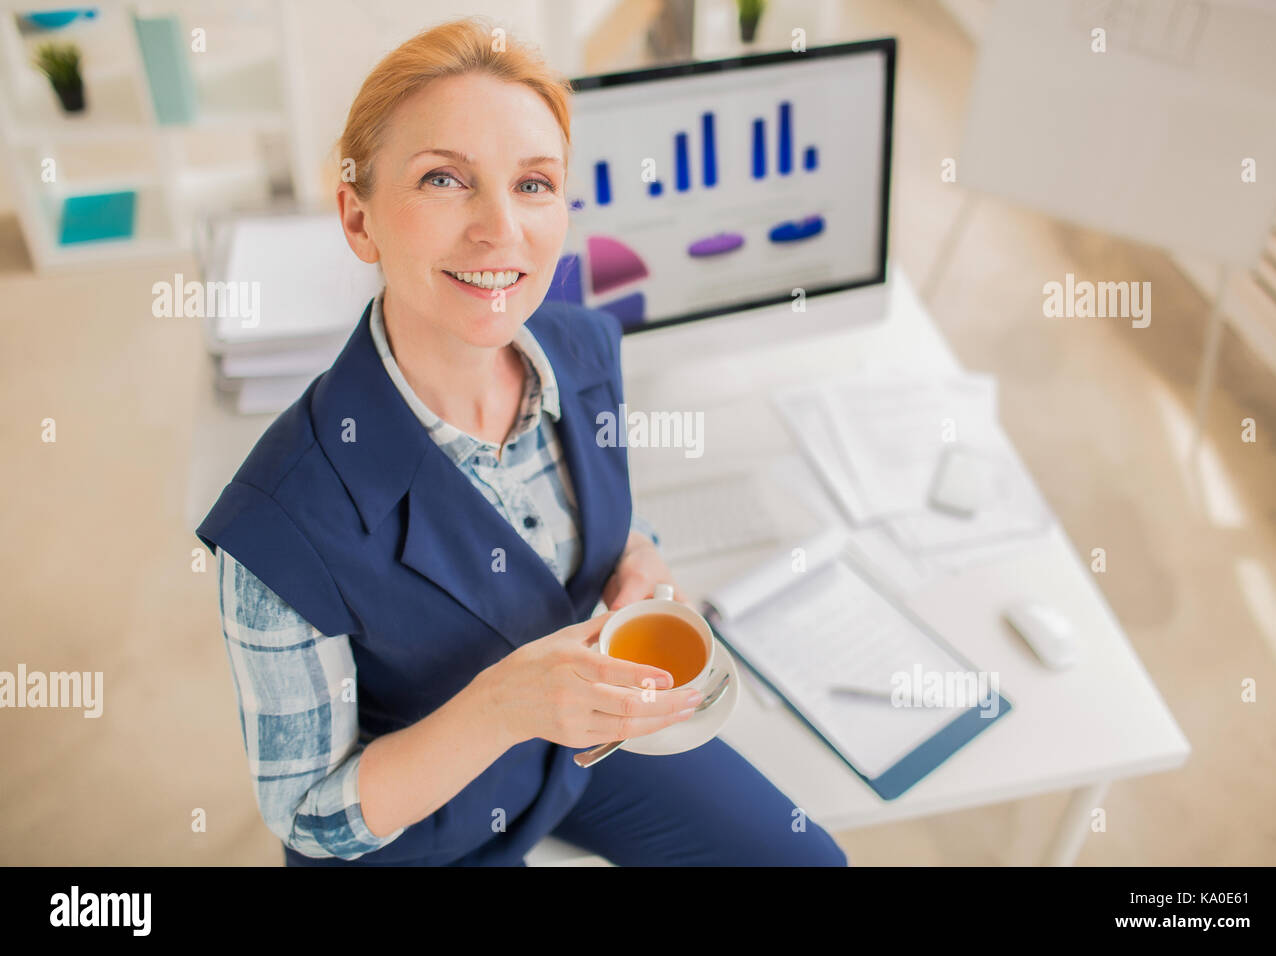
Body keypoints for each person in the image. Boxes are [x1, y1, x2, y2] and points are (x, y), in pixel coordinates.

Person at [196, 16, 847, 867]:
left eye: (534, 183)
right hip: (424, 825)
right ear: (359, 219)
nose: (500, 229)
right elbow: (312, 817)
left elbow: (585, 517)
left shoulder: (584, 348)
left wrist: (634, 559)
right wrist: (505, 707)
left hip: (583, 751)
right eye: (444, 179)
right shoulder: (276, 529)